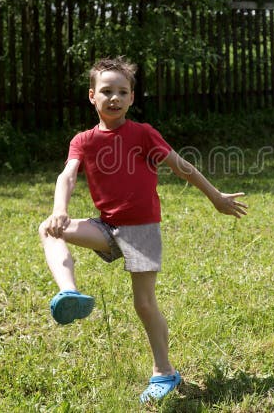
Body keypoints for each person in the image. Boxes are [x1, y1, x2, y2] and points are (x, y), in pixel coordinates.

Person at [38, 56, 247, 403]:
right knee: (49, 229)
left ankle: (165, 372)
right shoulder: (83, 140)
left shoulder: (143, 134)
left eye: (122, 91)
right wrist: (60, 209)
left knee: (144, 303)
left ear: (132, 98)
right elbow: (68, 175)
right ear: (92, 96)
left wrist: (215, 197)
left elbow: (183, 167)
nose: (114, 98)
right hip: (106, 226)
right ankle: (69, 294)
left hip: (142, 230)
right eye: (106, 91)